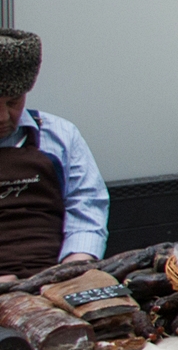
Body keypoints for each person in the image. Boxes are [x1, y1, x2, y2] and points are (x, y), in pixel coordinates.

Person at [0, 30, 108, 279]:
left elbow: (86, 207)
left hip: (55, 276)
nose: (3, 118)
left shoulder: (59, 135)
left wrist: (73, 266)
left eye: (13, 102)